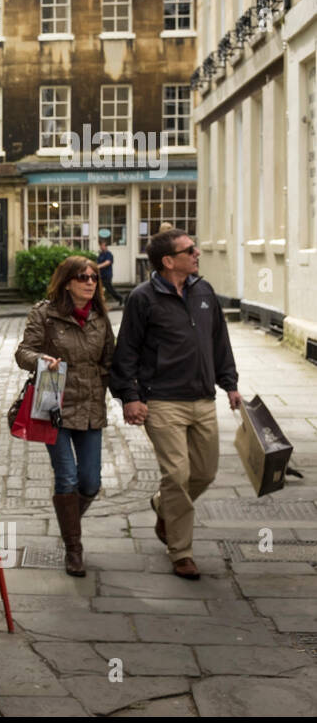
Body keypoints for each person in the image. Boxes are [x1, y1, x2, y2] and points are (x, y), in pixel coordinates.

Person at [110, 229, 242, 580]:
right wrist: (130, 397)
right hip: (162, 401)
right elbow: (126, 352)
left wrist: (229, 383)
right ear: (169, 261)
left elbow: (219, 340)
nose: (197, 252)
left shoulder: (204, 290)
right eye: (189, 250)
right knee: (178, 474)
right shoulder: (143, 298)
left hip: (202, 399)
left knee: (205, 472)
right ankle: (181, 552)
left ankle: (161, 505)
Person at [15, 255, 115, 577]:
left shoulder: (100, 317)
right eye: (82, 277)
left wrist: (129, 396)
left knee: (91, 481)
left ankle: (68, 521)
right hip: (52, 405)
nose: (89, 282)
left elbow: (111, 360)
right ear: (67, 281)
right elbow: (23, 352)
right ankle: (74, 547)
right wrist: (40, 359)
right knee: (67, 477)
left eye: (93, 278)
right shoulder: (45, 314)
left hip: (89, 408)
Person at [96, 237, 123, 306]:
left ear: (105, 246)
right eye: (100, 245)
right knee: (97, 288)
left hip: (107, 275)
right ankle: (98, 303)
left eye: (102, 245)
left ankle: (120, 298)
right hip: (100, 275)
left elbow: (107, 262)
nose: (101, 247)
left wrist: (98, 266)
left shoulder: (109, 254)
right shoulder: (100, 254)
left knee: (109, 289)